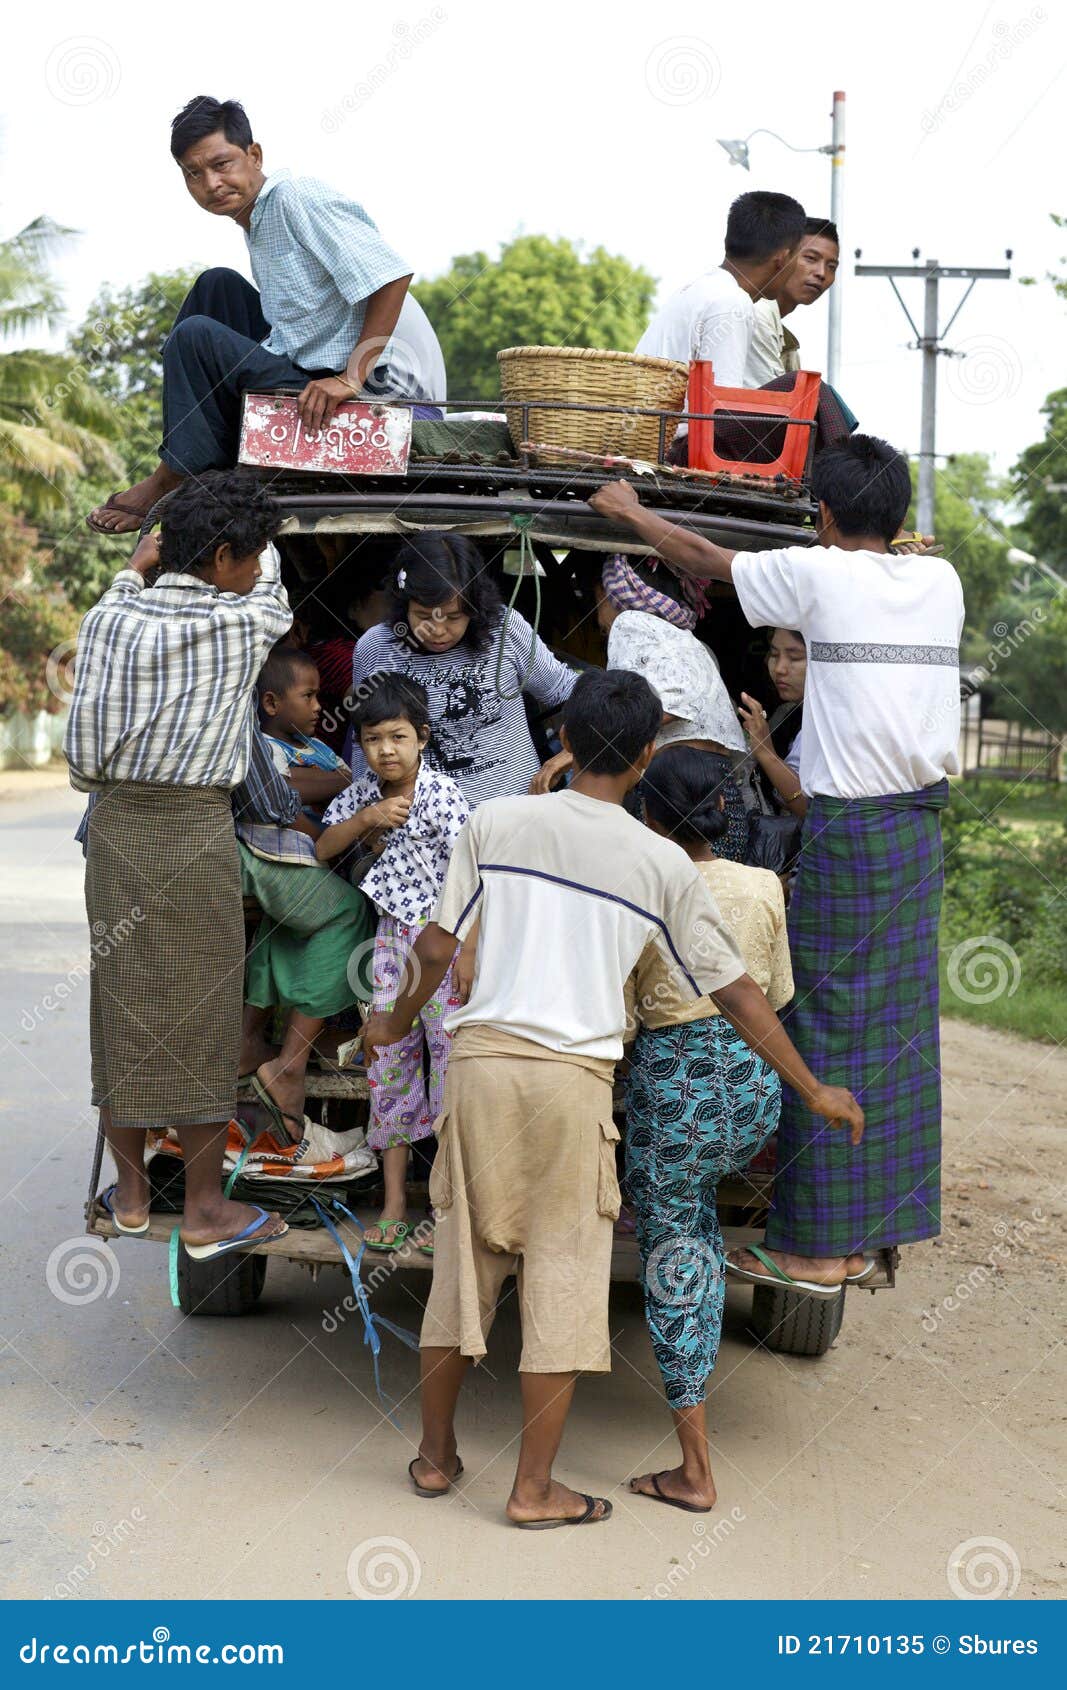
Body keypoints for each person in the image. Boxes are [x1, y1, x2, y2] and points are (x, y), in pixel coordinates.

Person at [361, 669, 863, 1527]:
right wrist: (810, 1087)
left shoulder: (496, 820)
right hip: (571, 1080)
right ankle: (532, 1490)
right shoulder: (659, 860)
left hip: (479, 1063)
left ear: (567, 743)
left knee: (461, 1271)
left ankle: (437, 1459)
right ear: (640, 758)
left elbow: (439, 948)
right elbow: (738, 992)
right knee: (558, 1277)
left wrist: (390, 1020)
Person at [588, 433, 963, 1295]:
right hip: (915, 826)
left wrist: (627, 511)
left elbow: (704, 559)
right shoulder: (936, 581)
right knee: (897, 1029)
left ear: (824, 516)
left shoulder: (822, 575)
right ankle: (866, 1234)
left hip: (851, 826)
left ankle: (812, 1248)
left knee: (819, 1018)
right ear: (898, 517)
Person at [65, 471, 293, 1256]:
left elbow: (126, 586)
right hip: (194, 831)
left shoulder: (108, 616)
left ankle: (131, 1196)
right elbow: (276, 595)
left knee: (121, 1004)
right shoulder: (245, 624)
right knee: (201, 1016)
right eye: (252, 554)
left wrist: (140, 563)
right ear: (226, 556)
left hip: (118, 829)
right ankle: (203, 1210)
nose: (260, 567)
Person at [88, 95, 446, 534]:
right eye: (193, 174)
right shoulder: (258, 222)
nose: (211, 183)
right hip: (311, 367)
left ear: (254, 155)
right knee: (215, 285)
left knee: (196, 336)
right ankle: (201, 451)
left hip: (384, 390)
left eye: (222, 164)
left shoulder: (296, 197)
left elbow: (392, 276)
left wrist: (351, 377)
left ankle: (175, 471)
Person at [624, 745, 795, 1511]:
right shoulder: (762, 884)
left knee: (677, 1269)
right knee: (694, 1226)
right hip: (755, 1091)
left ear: (648, 815)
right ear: (724, 815)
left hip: (675, 1096)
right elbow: (775, 993)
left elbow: (624, 1014)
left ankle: (695, 1472)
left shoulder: (640, 886)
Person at [316, 677, 470, 1254]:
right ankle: (396, 1203)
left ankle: (447, 1207)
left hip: (447, 944)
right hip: (390, 947)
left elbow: (476, 879)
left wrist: (472, 950)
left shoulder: (445, 795)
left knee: (454, 1069)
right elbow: (323, 847)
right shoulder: (363, 795)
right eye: (374, 738)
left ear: (423, 738)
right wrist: (369, 818)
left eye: (399, 736)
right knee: (391, 1067)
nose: (386, 750)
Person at [531, 554, 750, 858]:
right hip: (717, 791)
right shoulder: (691, 644)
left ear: (617, 595)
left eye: (599, 601)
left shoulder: (628, 621)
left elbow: (635, 710)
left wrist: (572, 754)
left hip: (671, 792)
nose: (598, 618)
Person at [351, 532, 577, 806]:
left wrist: (575, 750)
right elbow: (365, 738)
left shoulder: (504, 629)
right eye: (423, 616)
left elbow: (568, 691)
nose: (438, 630)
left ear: (475, 607)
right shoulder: (376, 649)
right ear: (403, 604)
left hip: (515, 815)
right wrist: (367, 808)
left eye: (454, 617)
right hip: (422, 830)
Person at [636, 191, 806, 389]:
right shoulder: (732, 303)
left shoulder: (699, 289)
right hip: (678, 421)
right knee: (817, 392)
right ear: (783, 258)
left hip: (659, 417)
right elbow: (719, 409)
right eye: (799, 255)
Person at [256, 643, 351, 819]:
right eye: (308, 696)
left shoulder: (317, 746)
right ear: (271, 703)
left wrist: (301, 776)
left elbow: (350, 778)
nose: (317, 706)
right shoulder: (267, 747)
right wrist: (337, 781)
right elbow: (283, 793)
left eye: (317, 696)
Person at [745, 219, 841, 386]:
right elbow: (771, 406)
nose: (822, 273)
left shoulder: (788, 346)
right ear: (782, 256)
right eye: (811, 258)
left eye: (831, 266)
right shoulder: (757, 313)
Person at [738, 628, 809, 820]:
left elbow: (808, 809)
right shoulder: (793, 714)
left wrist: (765, 752)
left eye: (794, 658)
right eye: (774, 654)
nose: (779, 668)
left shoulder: (832, 722)